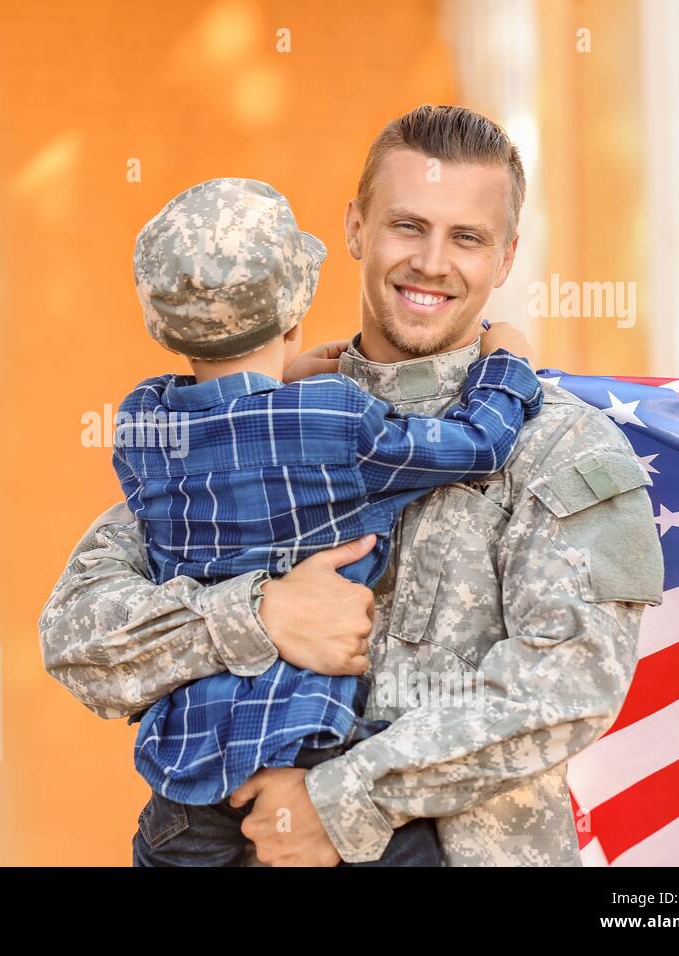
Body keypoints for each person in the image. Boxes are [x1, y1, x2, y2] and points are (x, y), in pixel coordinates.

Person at [39, 105, 664, 866]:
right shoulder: (258, 421)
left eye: (466, 237)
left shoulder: (559, 444)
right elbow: (78, 637)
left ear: (504, 260)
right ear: (355, 229)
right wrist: (257, 614)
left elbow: (569, 682)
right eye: (408, 226)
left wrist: (341, 801)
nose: (432, 262)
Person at [112, 177, 543, 866]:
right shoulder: (336, 418)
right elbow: (477, 444)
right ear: (294, 314)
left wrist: (273, 390)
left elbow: (218, 451)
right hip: (305, 753)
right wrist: (509, 367)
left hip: (184, 785)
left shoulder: (140, 422)